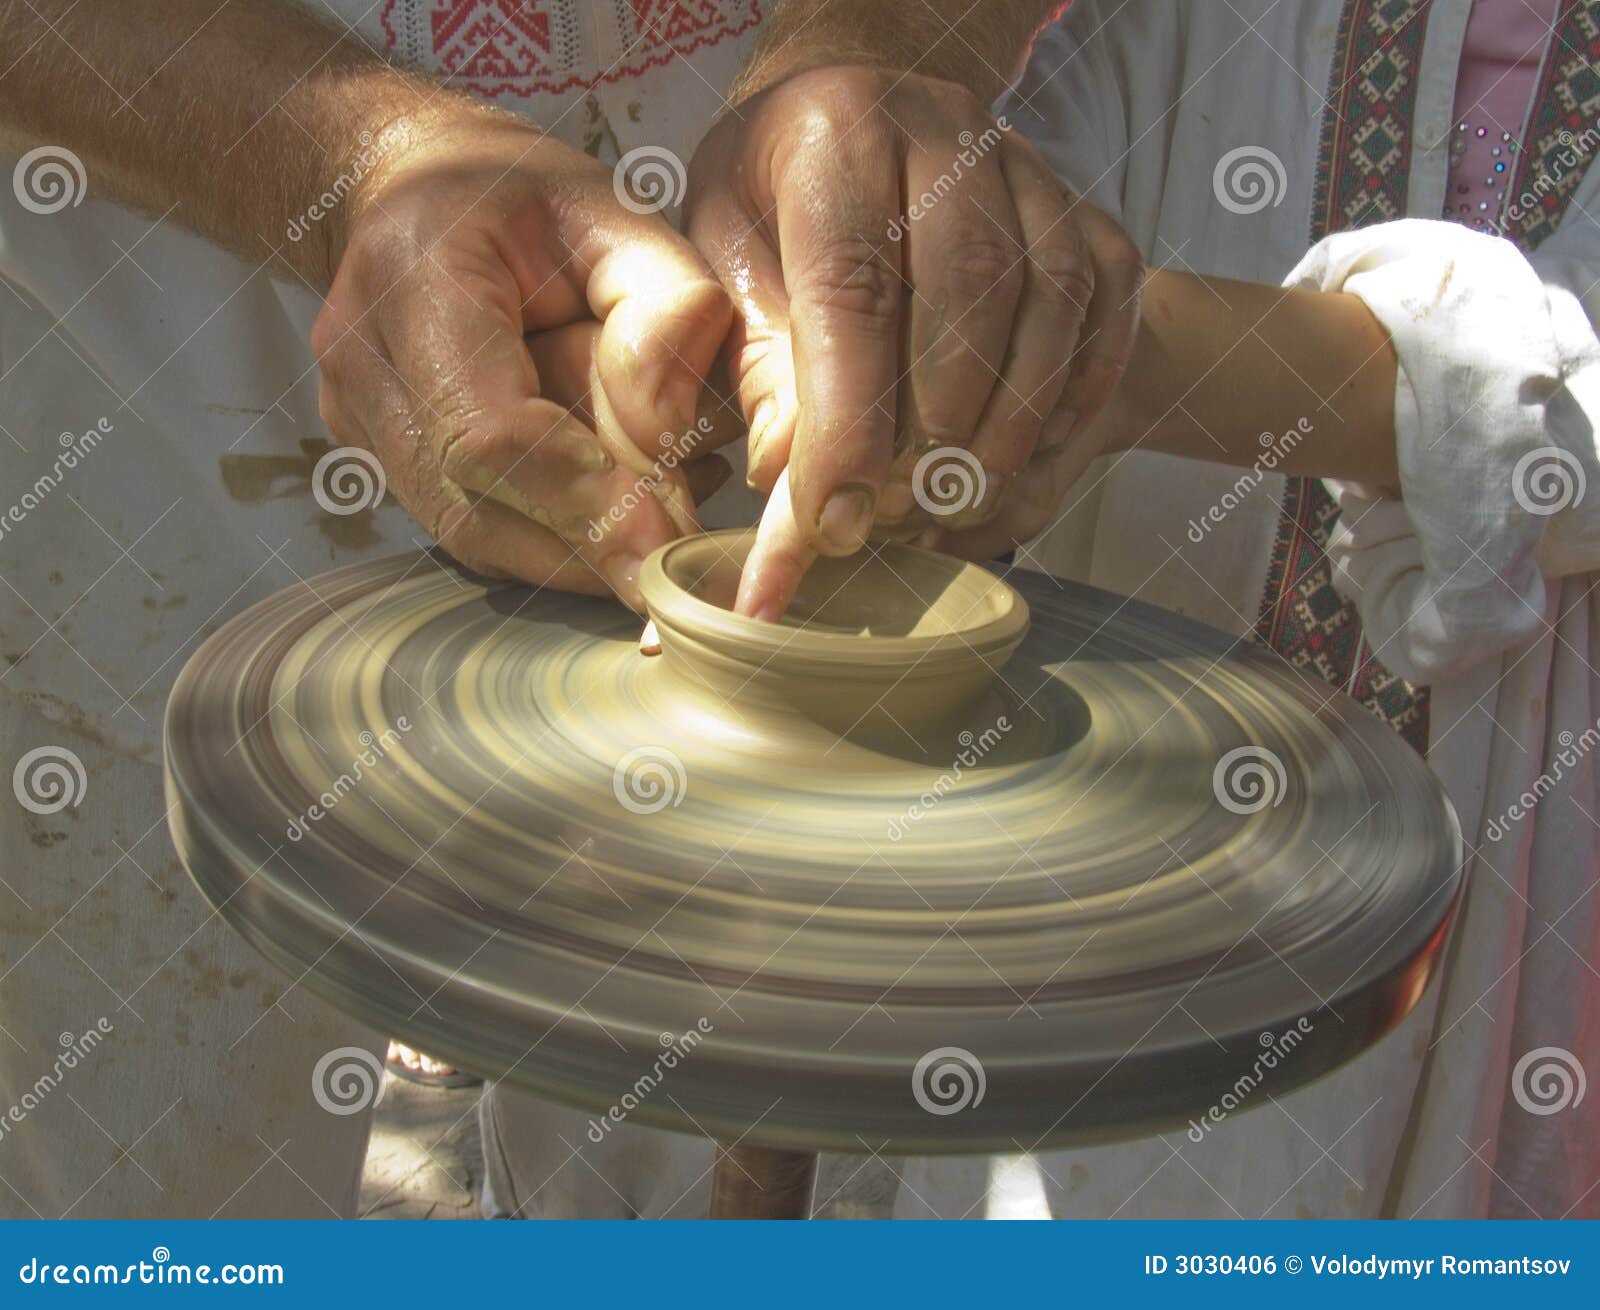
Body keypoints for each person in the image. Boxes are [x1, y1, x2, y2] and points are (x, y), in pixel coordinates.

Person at [0, 0, 1135, 1217]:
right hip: (158, 183)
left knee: (746, 1129)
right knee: (149, 1135)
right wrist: (360, 161)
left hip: (787, 210)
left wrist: (886, 42)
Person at [484, 0, 1600, 1219]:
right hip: (1089, 874)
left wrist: (1099, 358)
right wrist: (808, 338)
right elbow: (987, 198)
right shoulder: (1189, 25)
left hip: (1516, 876)